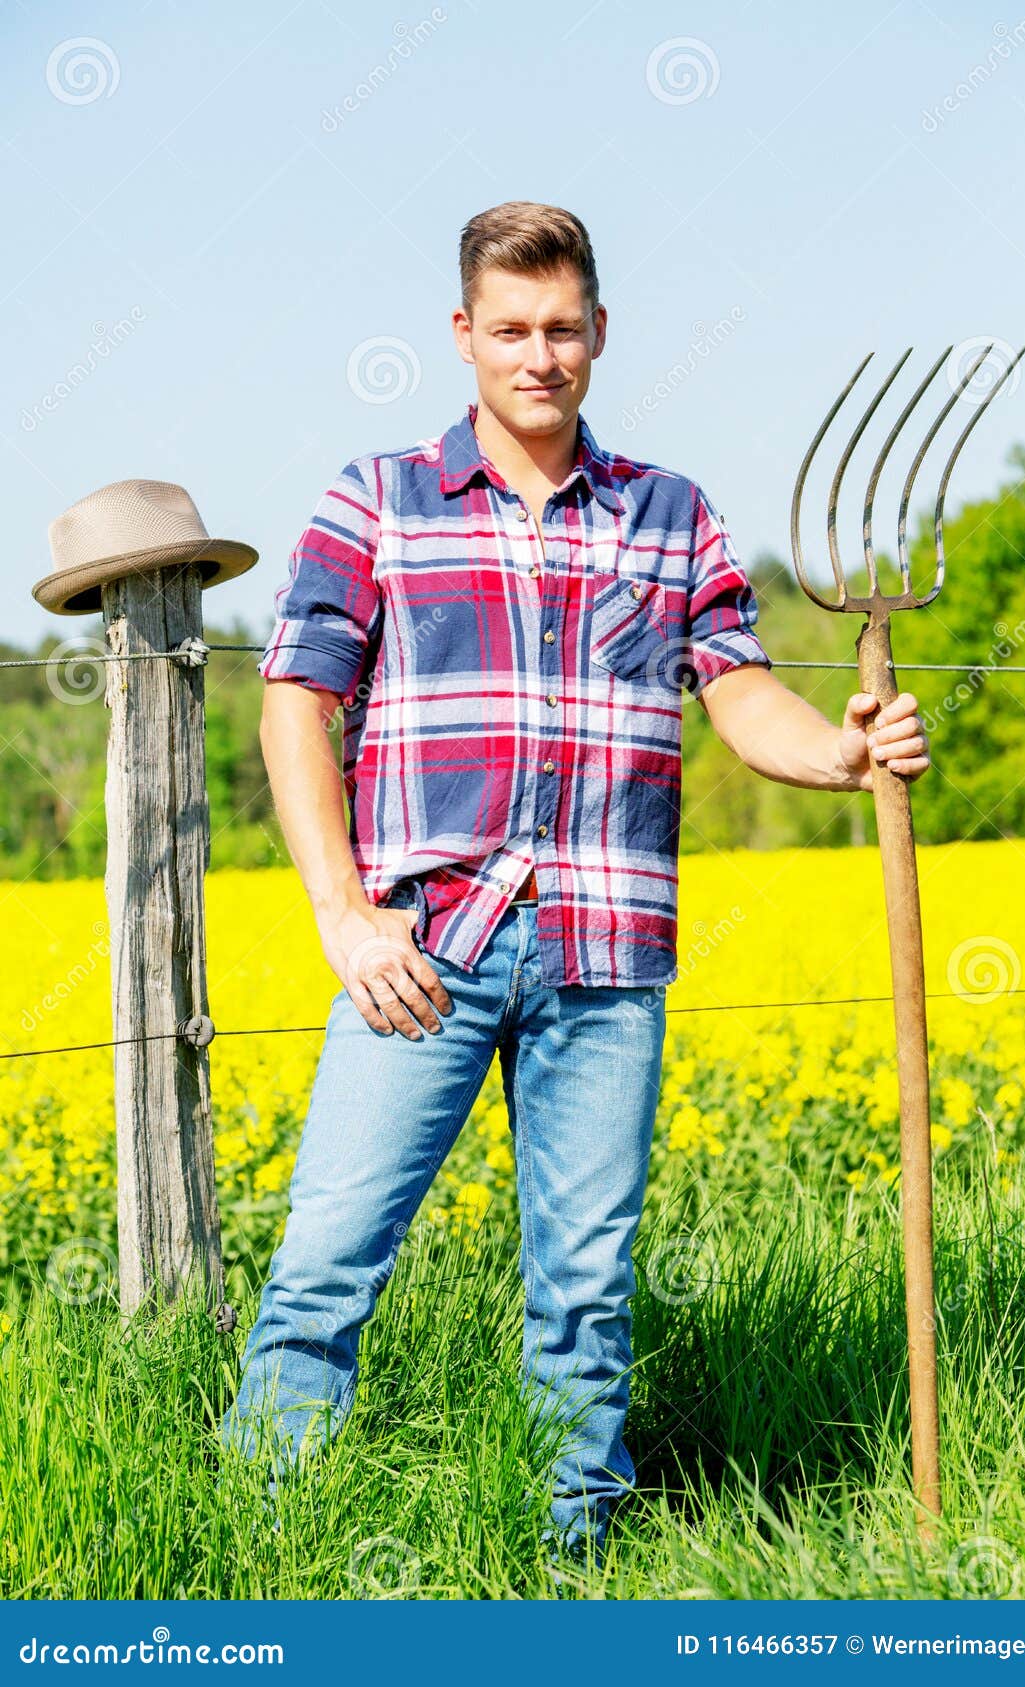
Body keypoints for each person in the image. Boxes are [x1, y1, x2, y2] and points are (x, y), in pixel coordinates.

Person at [216, 200, 930, 1568]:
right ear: (462, 334)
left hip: (606, 951)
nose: (538, 356)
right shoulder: (380, 499)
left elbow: (741, 693)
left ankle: (568, 1562)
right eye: (510, 330)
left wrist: (842, 755)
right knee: (326, 1262)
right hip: (423, 947)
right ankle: (266, 1548)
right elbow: (296, 702)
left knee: (588, 1290)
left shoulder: (670, 513)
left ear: (600, 329)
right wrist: (342, 915)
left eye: (561, 329)